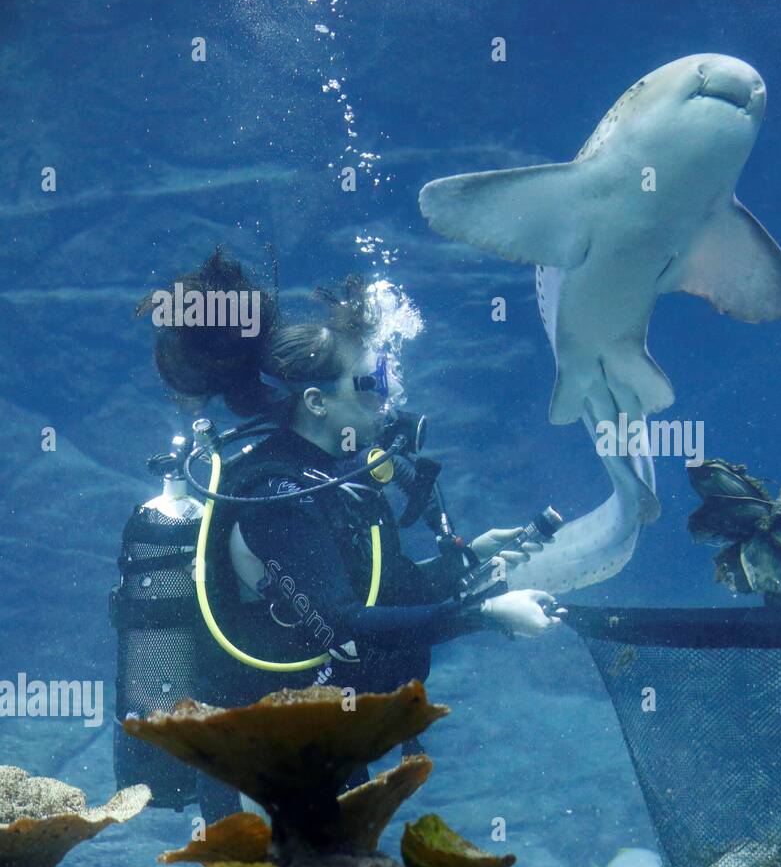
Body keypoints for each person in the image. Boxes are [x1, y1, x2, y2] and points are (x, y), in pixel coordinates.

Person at [146, 249, 564, 817]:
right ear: (317, 402)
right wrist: (486, 617)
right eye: (371, 383)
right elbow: (348, 623)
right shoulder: (275, 493)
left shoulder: (340, 479)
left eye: (387, 378)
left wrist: (472, 563)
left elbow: (386, 594)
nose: (388, 400)